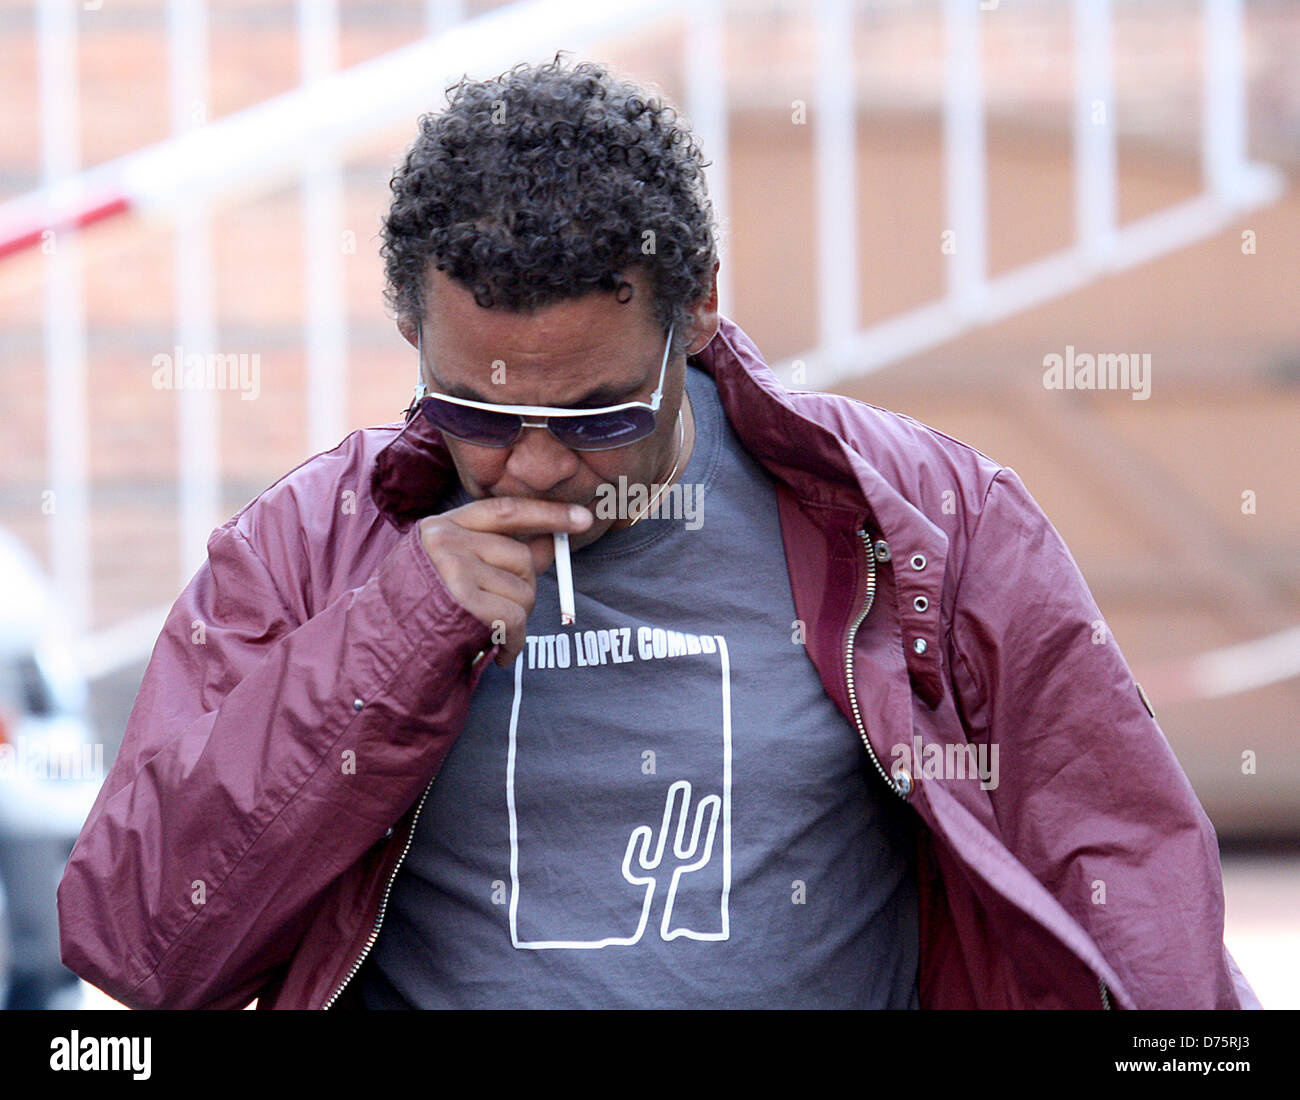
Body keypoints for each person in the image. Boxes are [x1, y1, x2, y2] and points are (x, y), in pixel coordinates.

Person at [58, 54, 1257, 1010]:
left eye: (595, 412)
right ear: (411, 334)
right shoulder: (310, 550)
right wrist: (393, 637)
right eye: (475, 409)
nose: (531, 462)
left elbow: (1127, 873)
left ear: (699, 310)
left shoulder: (923, 518)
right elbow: (140, 943)